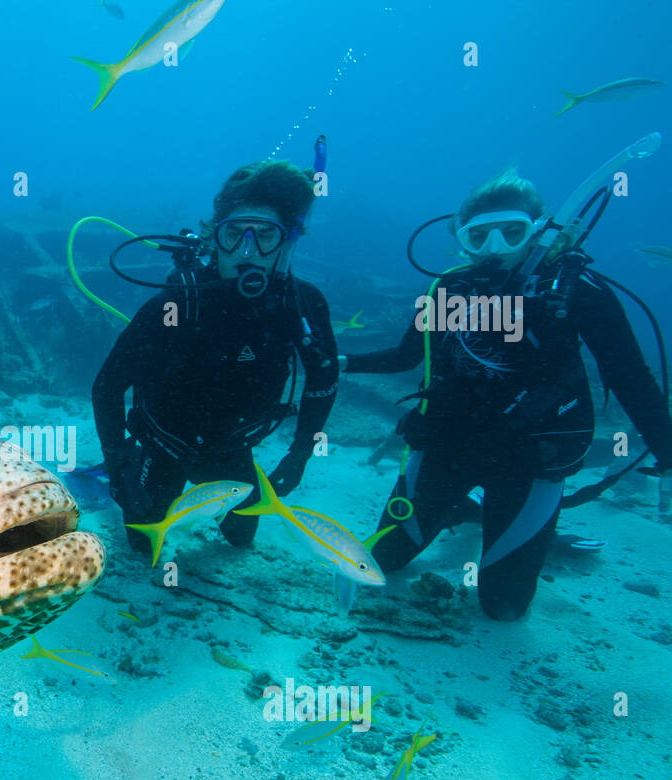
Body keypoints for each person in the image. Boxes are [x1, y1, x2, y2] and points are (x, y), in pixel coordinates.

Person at [342, 169, 672, 620]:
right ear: (463, 239)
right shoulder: (449, 288)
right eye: (480, 236)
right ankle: (471, 507)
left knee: (504, 606)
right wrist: (339, 361)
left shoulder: (577, 291)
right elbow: (406, 355)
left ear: (538, 230)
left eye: (511, 232)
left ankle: (491, 513)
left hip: (531, 461)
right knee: (379, 563)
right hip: (447, 447)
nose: (495, 248)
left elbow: (631, 377)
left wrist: (666, 448)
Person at [92, 160, 339, 555]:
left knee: (241, 540)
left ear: (287, 243)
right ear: (213, 239)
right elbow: (107, 387)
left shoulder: (303, 304)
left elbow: (324, 381)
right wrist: (118, 461)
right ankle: (136, 465)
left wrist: (299, 454)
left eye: (264, 236)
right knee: (143, 543)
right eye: (235, 234)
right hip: (165, 443)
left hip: (231, 446)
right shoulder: (175, 304)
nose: (247, 251)